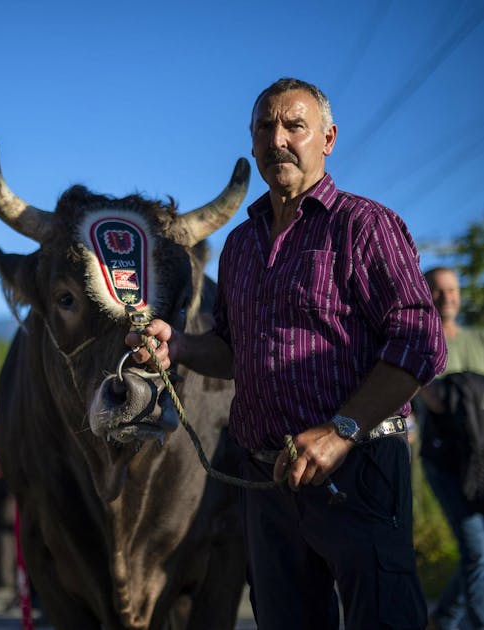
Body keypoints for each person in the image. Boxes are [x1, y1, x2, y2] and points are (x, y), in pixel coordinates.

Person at [126, 77, 446, 629]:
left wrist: (341, 430)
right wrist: (177, 346)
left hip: (360, 469)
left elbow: (421, 343)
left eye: (295, 125)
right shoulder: (242, 246)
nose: (278, 139)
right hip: (268, 480)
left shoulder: (365, 225)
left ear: (328, 138)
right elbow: (231, 351)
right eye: (264, 127)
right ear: (251, 143)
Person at [420, 266, 484, 630]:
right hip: (445, 462)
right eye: (438, 290)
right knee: (476, 549)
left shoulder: (477, 341)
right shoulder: (420, 344)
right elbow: (434, 400)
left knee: (478, 555)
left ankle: (443, 620)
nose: (448, 298)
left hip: (480, 462)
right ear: (425, 295)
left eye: (453, 290)